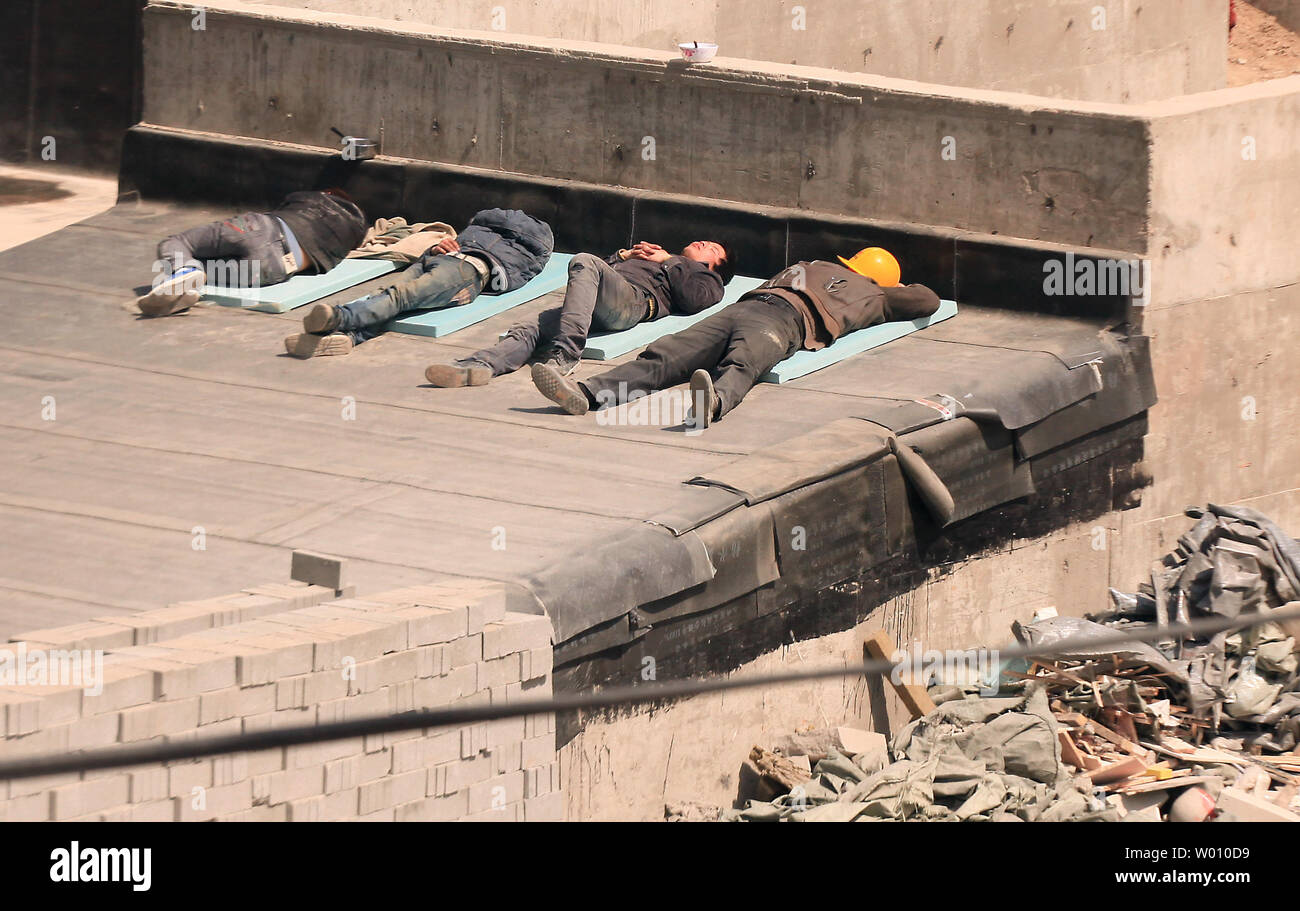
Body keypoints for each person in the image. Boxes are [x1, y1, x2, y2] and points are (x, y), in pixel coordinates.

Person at [530, 247, 941, 428]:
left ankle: (594, 392)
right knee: (734, 360)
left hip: (764, 311)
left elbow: (925, 301)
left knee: (669, 356)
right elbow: (928, 300)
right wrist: (899, 286)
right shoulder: (877, 295)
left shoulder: (815, 266)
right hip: (778, 320)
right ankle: (585, 394)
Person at [421, 240, 733, 388]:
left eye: (713, 249)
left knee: (584, 258)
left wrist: (668, 260)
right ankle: (480, 366)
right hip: (593, 304)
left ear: (715, 265)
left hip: (634, 302)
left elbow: (694, 300)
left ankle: (568, 354)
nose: (703, 242)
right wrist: (621, 255)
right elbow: (596, 274)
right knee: (530, 326)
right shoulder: (658, 256)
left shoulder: (707, 279)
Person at [284, 208, 554, 358]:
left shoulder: (523, 249)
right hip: (442, 259)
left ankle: (340, 318)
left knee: (400, 296)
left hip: (465, 272)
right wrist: (437, 248)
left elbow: (514, 277)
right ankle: (351, 337)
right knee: (390, 294)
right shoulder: (485, 232)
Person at [137, 189, 367, 317]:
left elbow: (282, 208)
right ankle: (193, 277)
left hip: (260, 230)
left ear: (328, 193)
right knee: (209, 270)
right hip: (275, 270)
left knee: (178, 242)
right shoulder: (351, 237)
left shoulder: (312, 197)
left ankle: (184, 271)